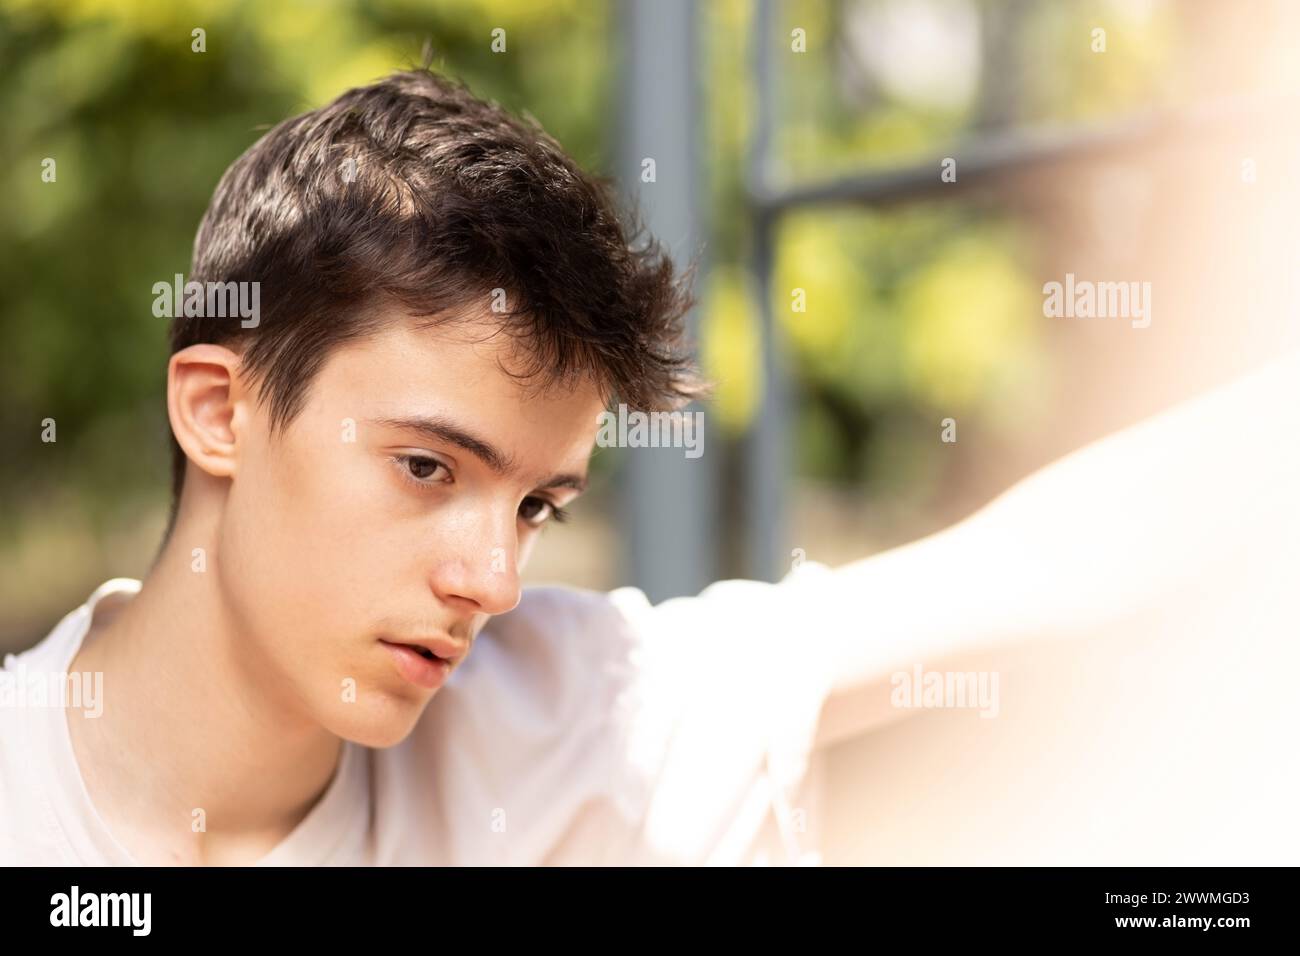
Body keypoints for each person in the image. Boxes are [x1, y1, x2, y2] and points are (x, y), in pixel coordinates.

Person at [3, 68, 1295, 866]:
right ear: (220, 411)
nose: (495, 579)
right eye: (424, 468)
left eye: (537, 503)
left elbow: (1034, 566)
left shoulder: (559, 722)